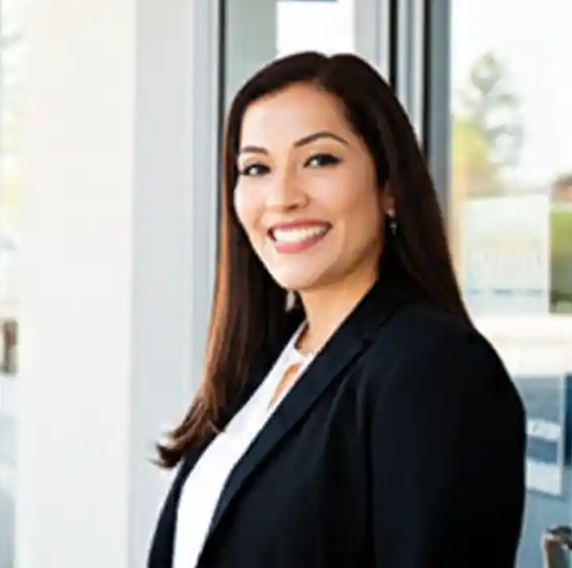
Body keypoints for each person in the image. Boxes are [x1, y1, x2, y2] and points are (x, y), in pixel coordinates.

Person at [147, 52, 526, 567]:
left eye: (319, 160)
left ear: (389, 187)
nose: (282, 197)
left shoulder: (431, 367)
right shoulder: (271, 356)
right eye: (256, 168)